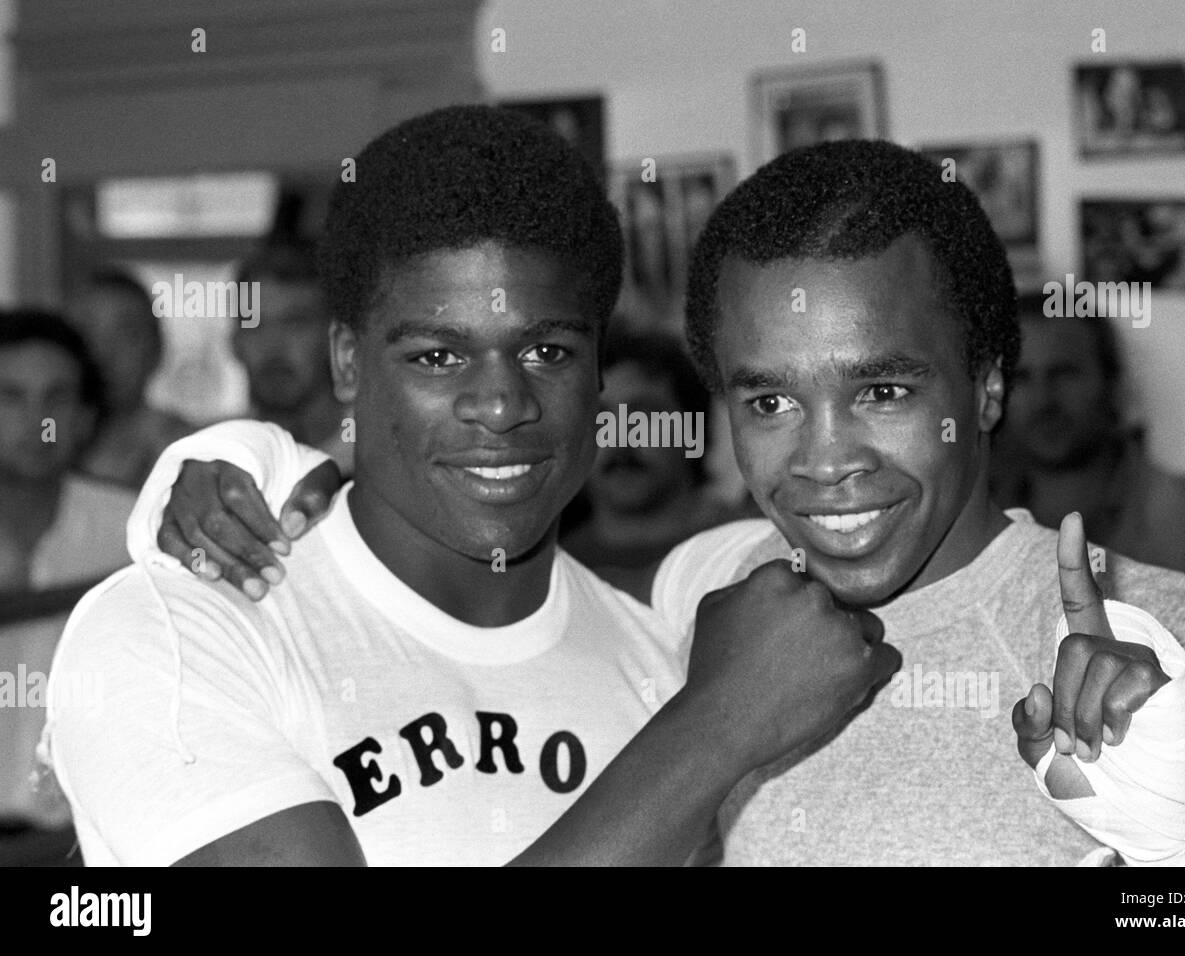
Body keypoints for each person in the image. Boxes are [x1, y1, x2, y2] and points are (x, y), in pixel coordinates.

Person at [130, 138, 1185, 865]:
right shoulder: (708, 599)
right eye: (770, 400)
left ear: (985, 383)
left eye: (883, 389)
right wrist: (266, 470)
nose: (825, 461)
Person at [41, 106, 900, 867]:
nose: (501, 402)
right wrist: (716, 732)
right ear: (349, 362)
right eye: (438, 356)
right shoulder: (180, 630)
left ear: (599, 369)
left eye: (547, 351)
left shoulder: (664, 659)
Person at [991, 294, 1185, 623]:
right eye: (1021, 378)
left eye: (1064, 374)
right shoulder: (972, 523)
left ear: (1112, 384)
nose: (1044, 400)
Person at [560, 328, 742, 600]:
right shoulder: (551, 574)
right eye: (599, 416)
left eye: (643, 415)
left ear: (694, 430)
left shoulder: (751, 549)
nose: (619, 435)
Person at [0, 310, 135, 593]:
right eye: (11, 397)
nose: (38, 421)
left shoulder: (133, 531)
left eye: (57, 398)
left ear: (85, 418)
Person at [231, 239, 355, 472]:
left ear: (338, 339)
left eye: (295, 324)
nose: (272, 346)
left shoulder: (379, 457)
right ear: (235, 342)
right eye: (254, 325)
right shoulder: (214, 456)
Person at [65, 272, 192, 488]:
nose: (102, 352)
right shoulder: (47, 440)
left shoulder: (186, 452)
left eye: (126, 334)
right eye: (86, 334)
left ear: (157, 348)